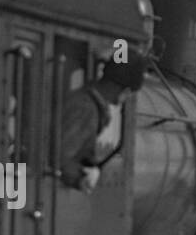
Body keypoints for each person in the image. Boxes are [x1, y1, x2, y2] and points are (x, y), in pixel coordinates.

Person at [58, 56, 146, 192]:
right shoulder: (86, 109)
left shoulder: (86, 102)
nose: (128, 96)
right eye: (129, 91)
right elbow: (59, 157)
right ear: (123, 88)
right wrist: (81, 177)